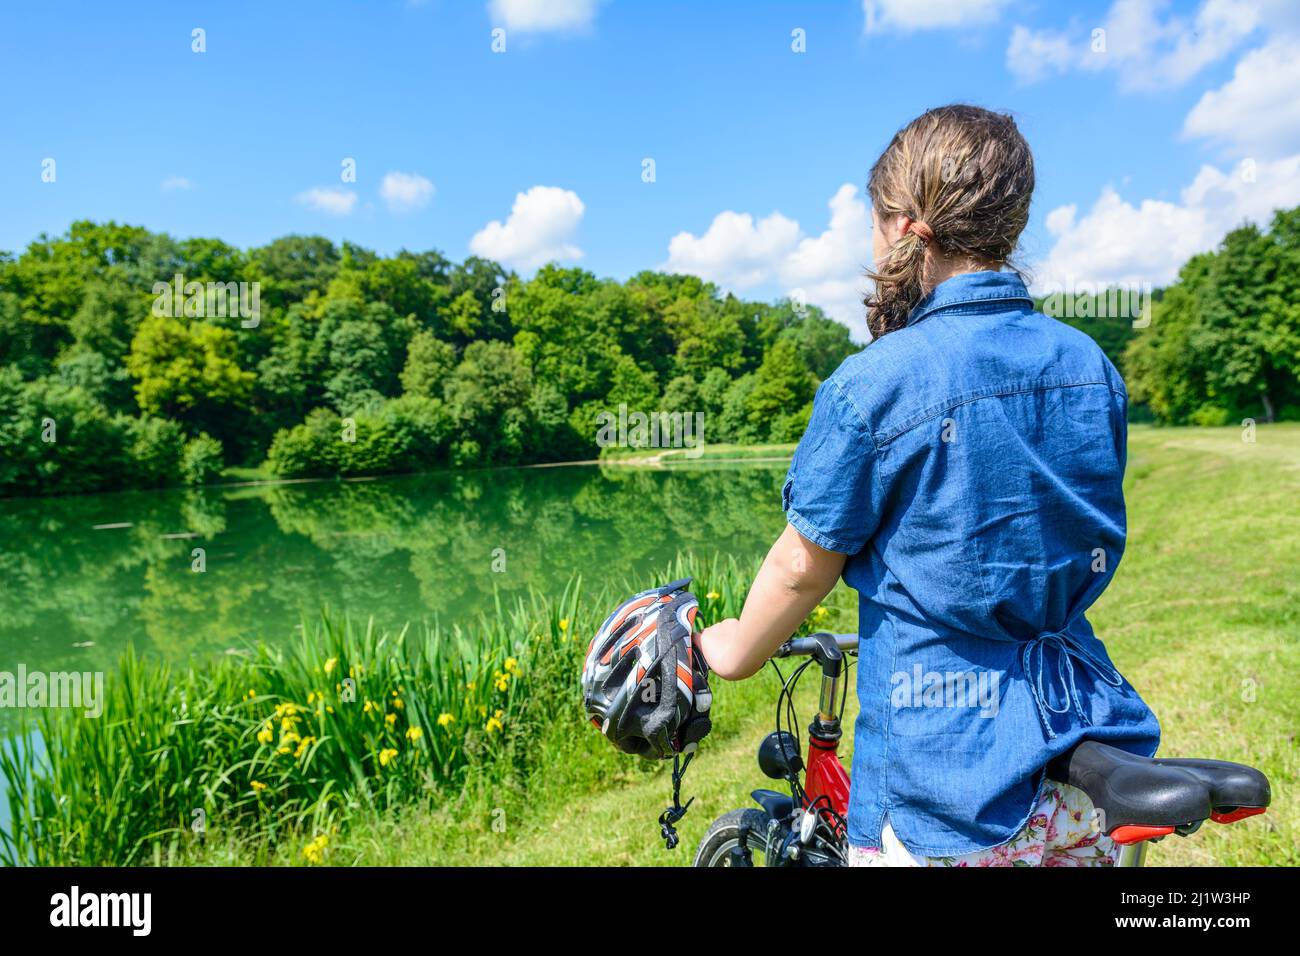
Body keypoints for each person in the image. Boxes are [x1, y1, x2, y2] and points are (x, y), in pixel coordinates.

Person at [694, 104, 1160, 867]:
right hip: (1083, 754)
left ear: (907, 226)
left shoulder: (875, 383)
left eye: (874, 222)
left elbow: (801, 565)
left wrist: (734, 650)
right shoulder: (1089, 367)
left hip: (946, 786)